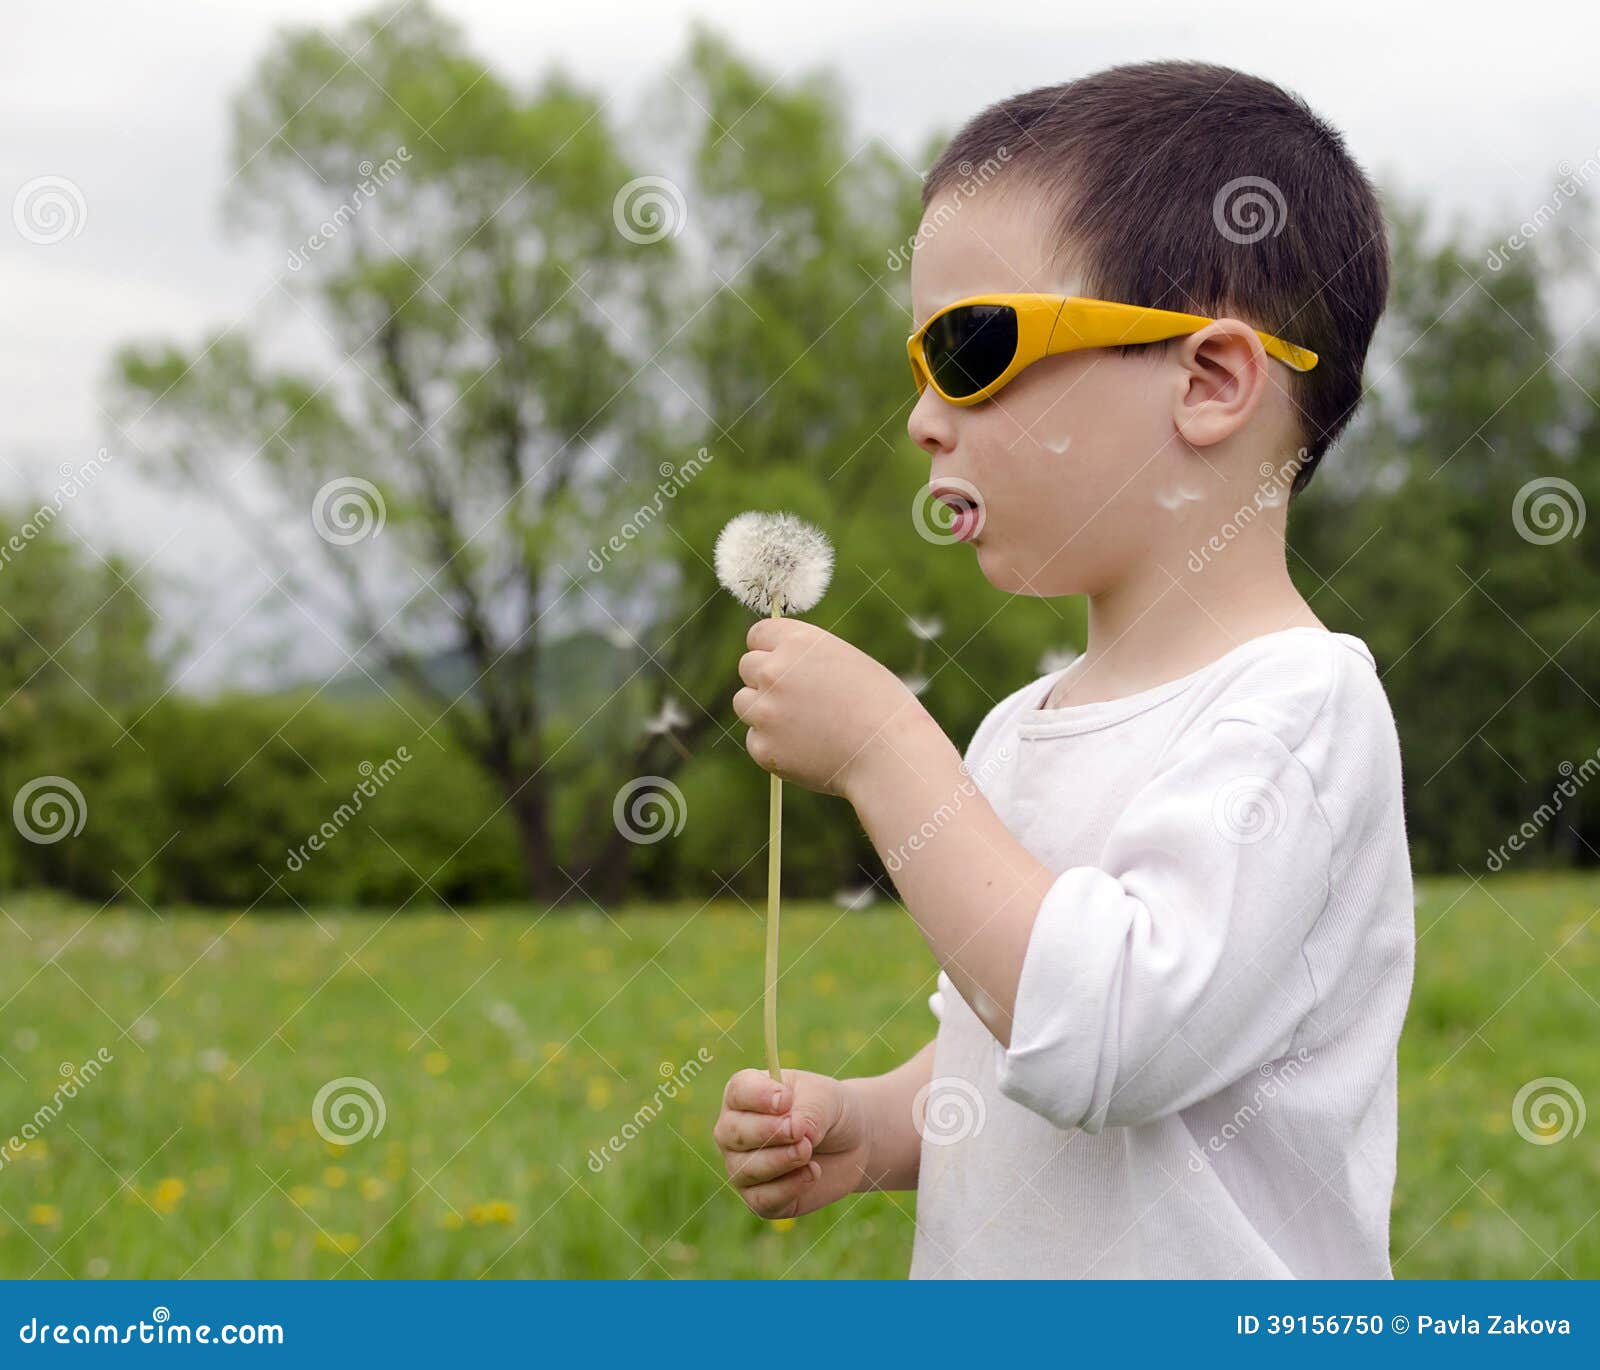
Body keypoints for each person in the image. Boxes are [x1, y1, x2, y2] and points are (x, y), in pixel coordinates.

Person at [713, 60, 1412, 1278]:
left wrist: (884, 749)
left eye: (971, 347)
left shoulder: (1301, 712)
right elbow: (1007, 1042)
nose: (926, 417)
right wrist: (876, 1128)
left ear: (1209, 381)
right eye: (917, 369)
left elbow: (1117, 1033)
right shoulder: (1019, 725)